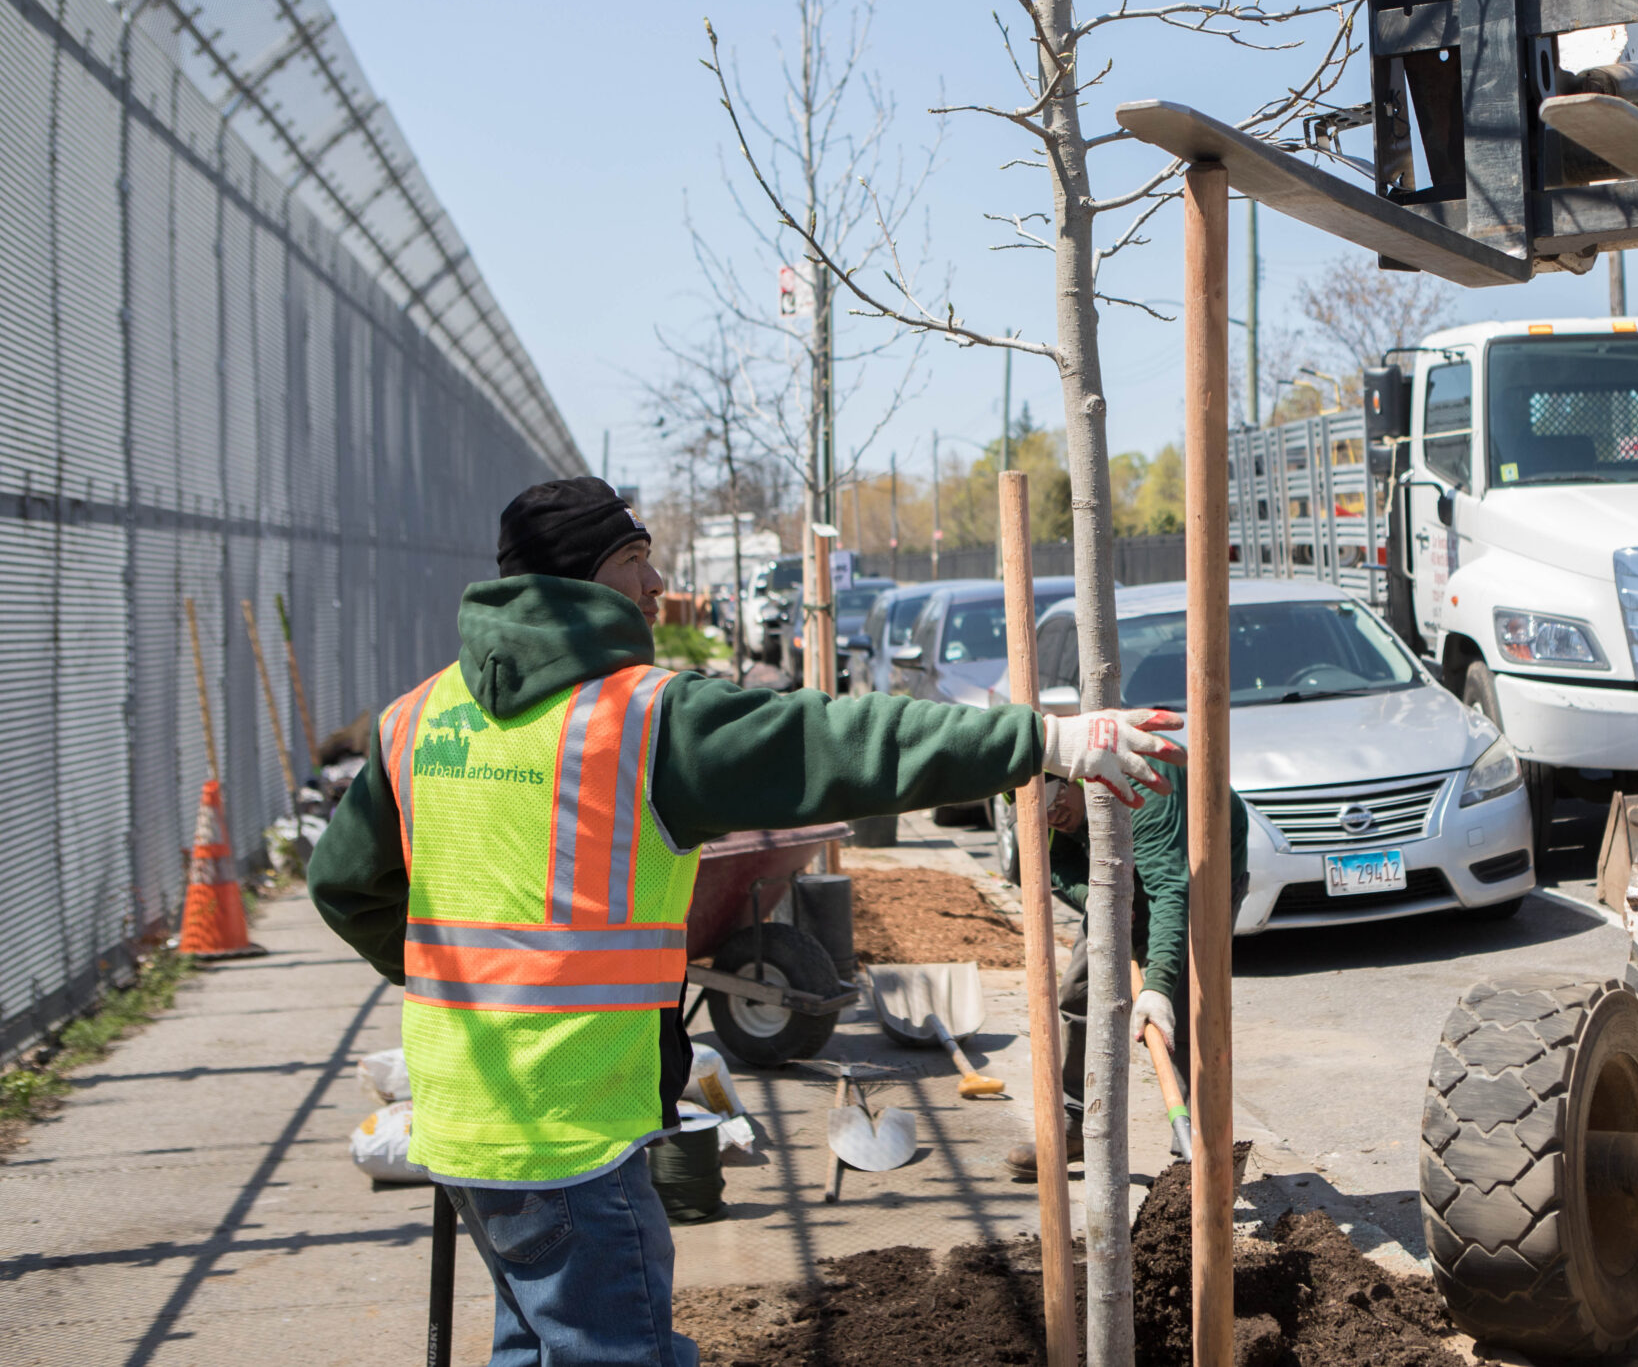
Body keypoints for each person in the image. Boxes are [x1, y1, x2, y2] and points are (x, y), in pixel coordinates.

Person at [308, 476, 1181, 1367]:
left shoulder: (416, 719)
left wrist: (461, 992)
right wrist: (1047, 743)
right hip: (568, 1136)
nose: (655, 587)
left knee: (534, 1349)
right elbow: (843, 743)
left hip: (463, 1116)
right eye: (636, 560)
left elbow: (346, 886)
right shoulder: (642, 718)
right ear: (579, 579)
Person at [1003, 751, 1247, 1179]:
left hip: (1199, 868)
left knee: (1188, 1004)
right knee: (1078, 992)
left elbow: (1171, 893)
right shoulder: (1039, 807)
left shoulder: (1139, 790)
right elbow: (1054, 864)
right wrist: (1095, 897)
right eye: (1044, 815)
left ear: (1077, 780)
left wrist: (1157, 986)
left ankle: (1199, 1149)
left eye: (1059, 805)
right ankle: (1076, 1124)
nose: (1054, 817)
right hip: (1115, 871)